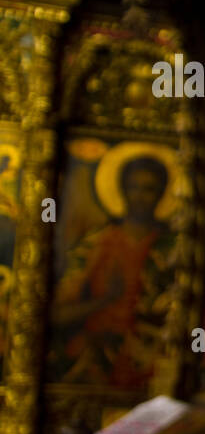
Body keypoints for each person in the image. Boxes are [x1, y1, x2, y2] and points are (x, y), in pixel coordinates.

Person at [50, 155, 174, 388]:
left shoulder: (173, 247)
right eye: (133, 187)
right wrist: (105, 300)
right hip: (97, 355)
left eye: (149, 189)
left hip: (152, 357)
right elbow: (57, 315)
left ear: (161, 193)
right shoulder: (97, 243)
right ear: (122, 190)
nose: (140, 197)